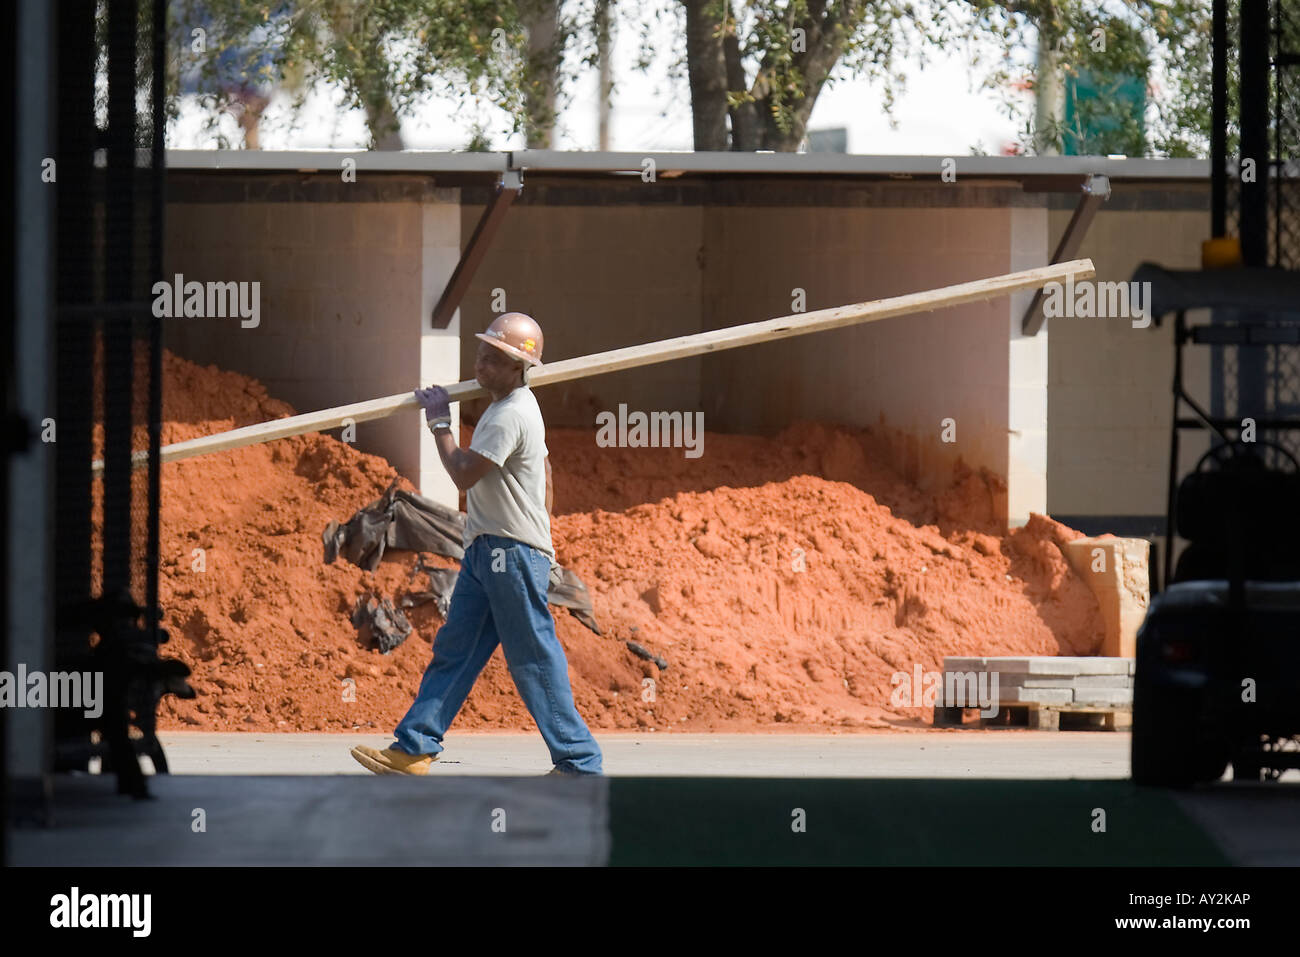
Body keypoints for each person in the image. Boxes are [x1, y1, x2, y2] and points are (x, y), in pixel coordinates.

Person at [350, 313, 603, 777]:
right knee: (456, 650)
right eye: (481, 355)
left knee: (532, 657)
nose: (480, 365)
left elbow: (464, 474)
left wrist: (440, 425)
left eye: (492, 358)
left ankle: (579, 763)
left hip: (511, 553)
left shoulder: (511, 413)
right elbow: (544, 475)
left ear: (518, 366)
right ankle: (414, 747)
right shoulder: (507, 407)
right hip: (488, 552)